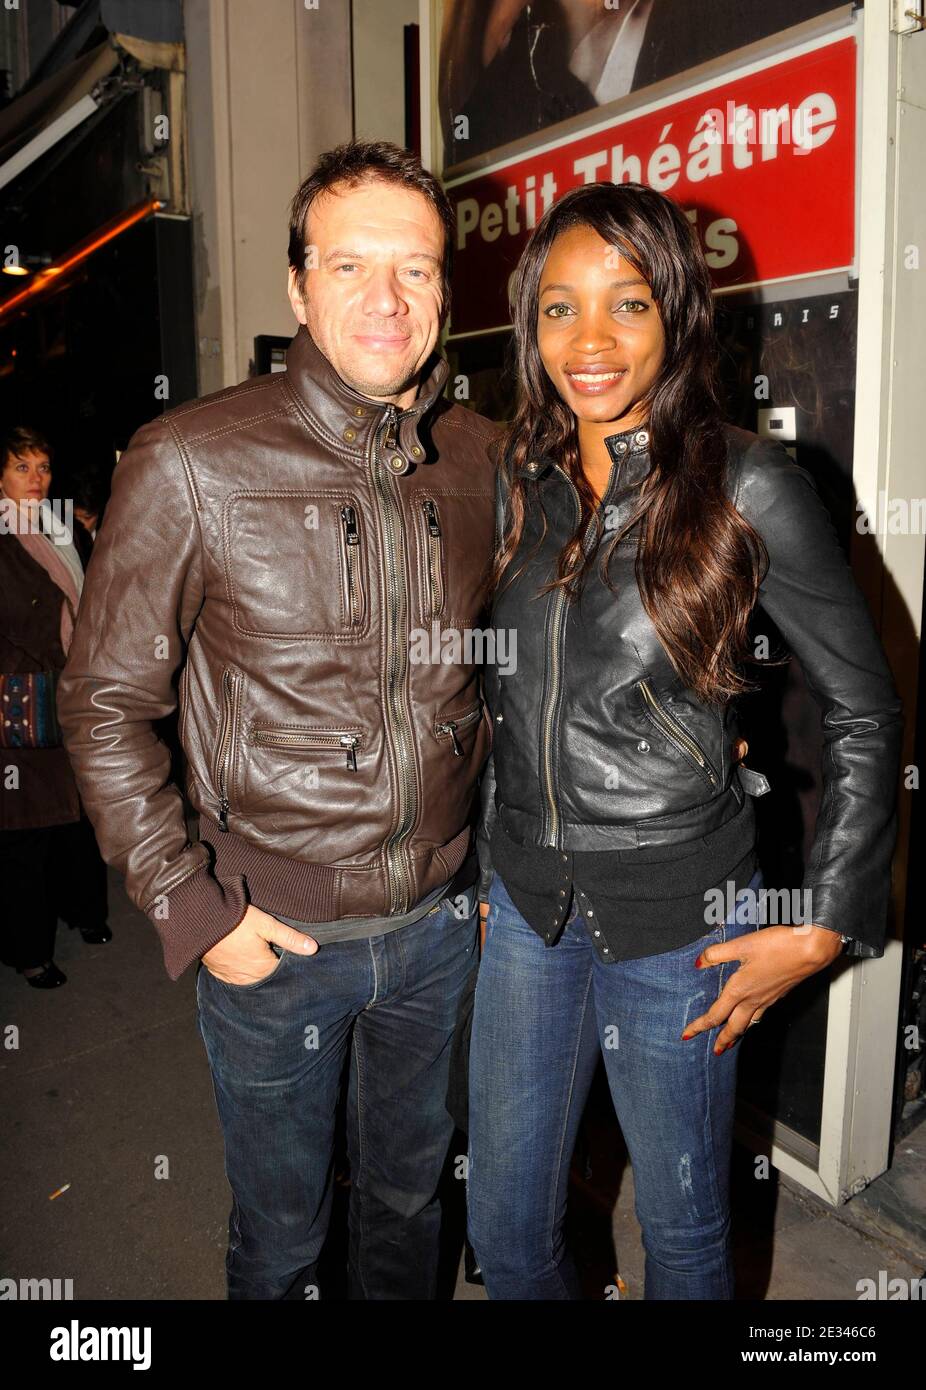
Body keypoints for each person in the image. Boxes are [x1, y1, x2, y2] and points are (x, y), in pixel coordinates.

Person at [57, 140, 499, 1300]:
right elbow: (105, 705)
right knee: (286, 1240)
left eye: (414, 268)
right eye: (348, 266)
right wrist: (193, 910)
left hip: (438, 935)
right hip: (272, 944)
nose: (385, 299)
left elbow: (494, 684)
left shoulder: (477, 458)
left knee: (410, 1204)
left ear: (446, 288)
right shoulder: (192, 458)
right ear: (298, 287)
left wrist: (491, 876)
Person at [467, 182, 903, 1299]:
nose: (591, 340)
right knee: (508, 1235)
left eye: (624, 304)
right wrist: (488, 851)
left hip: (678, 926)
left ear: (674, 312)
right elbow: (512, 692)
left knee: (684, 1238)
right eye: (558, 309)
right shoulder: (524, 480)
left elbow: (864, 708)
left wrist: (826, 920)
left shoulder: (746, 482)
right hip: (525, 909)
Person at [0, 426, 112, 988]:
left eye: (43, 467)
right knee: (25, 829)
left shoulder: (58, 524)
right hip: (19, 699)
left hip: (71, 688)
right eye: (22, 467)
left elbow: (90, 589)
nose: (37, 479)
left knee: (76, 811)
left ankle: (84, 910)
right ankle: (26, 949)